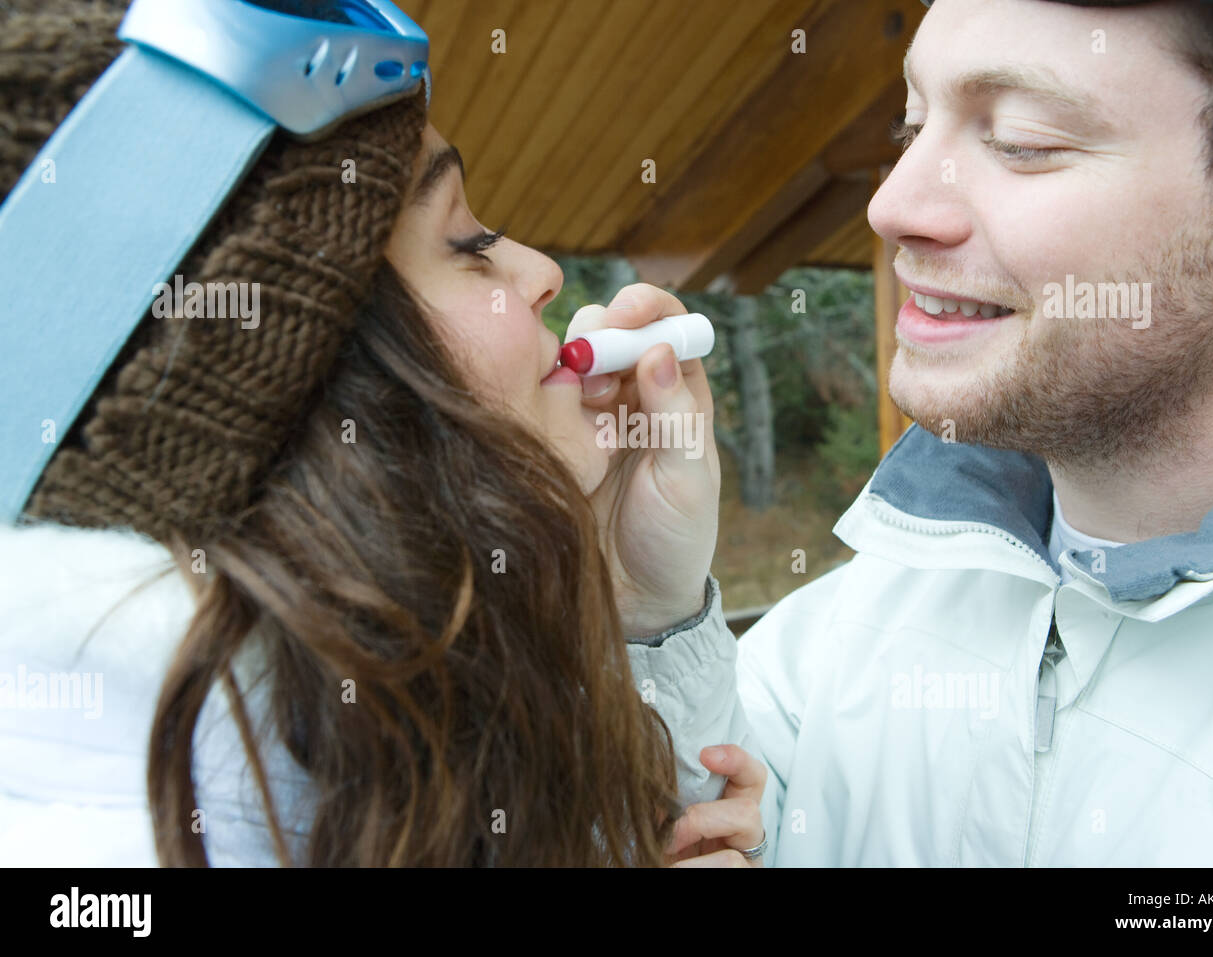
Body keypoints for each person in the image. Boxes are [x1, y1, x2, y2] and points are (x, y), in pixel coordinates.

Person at [0, 0, 762, 867]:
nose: (544, 271)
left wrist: (641, 611)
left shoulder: (364, 753)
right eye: (467, 242)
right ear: (307, 394)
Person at [632, 0, 1213, 865]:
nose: (892, 205)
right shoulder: (846, 627)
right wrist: (652, 617)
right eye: (911, 127)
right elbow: (699, 815)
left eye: (1023, 142)